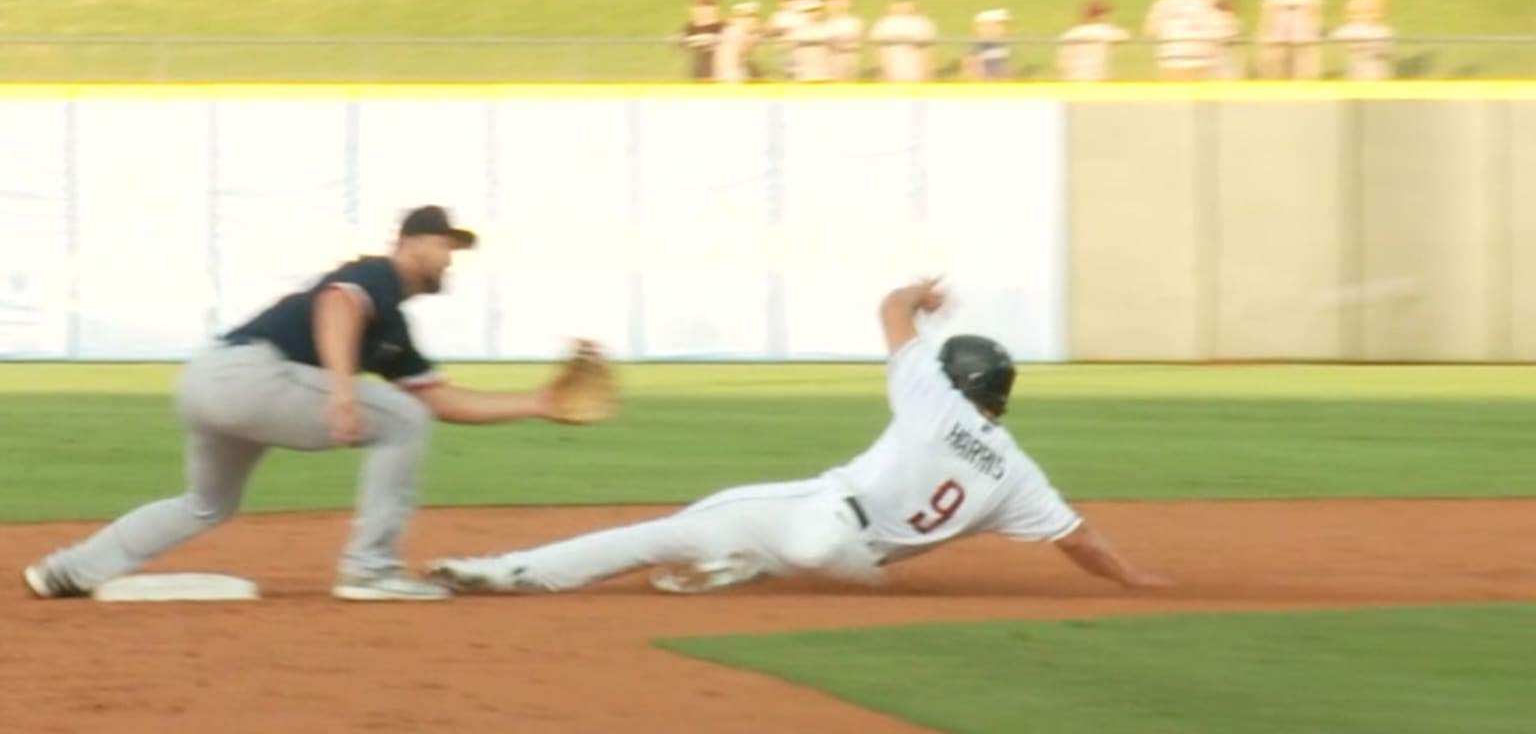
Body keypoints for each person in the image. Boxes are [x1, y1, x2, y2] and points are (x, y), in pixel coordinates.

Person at [424, 278, 1173, 596]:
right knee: (753, 547)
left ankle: (510, 571)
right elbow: (1078, 540)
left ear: (958, 379)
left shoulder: (933, 398)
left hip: (824, 518)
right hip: (862, 568)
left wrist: (921, 293)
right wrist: (1133, 580)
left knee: (661, 534)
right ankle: (737, 566)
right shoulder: (1017, 472)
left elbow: (892, 308)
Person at [22, 206, 616, 603]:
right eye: (444, 245)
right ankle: (370, 568)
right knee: (400, 419)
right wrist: (341, 391)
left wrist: (538, 402)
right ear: (409, 242)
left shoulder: (392, 330)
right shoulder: (376, 275)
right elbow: (338, 303)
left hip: (212, 380)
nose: (449, 259)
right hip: (246, 375)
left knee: (207, 504)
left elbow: (441, 400)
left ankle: (68, 570)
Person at [1143, 0, 1220, 80]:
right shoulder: (1207, 2)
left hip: (1171, 58)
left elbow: (1150, 31)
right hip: (1202, 57)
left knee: (1174, 90)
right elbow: (1217, 31)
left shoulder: (1161, 4)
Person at [1256, 0, 1325, 79]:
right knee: (1274, 77)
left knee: (1305, 77)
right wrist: (1265, 39)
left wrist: (1316, 34)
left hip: (1304, 43)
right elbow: (1267, 17)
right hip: (1276, 44)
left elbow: (1315, 17)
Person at [869, 0, 938, 82]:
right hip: (891, 73)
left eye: (906, 2)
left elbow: (928, 50)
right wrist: (881, 70)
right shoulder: (883, 23)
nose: (903, 6)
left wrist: (929, 71)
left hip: (917, 74)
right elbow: (878, 50)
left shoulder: (922, 23)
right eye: (899, 3)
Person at [1055, 0, 1130, 82]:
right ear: (1100, 16)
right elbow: (1125, 36)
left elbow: (1061, 61)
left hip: (1071, 79)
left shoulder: (1070, 33)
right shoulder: (1103, 30)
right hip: (1095, 78)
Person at [1330, 0, 1395, 81]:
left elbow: (1386, 49)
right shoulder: (1350, 29)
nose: (1356, 17)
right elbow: (1332, 36)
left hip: (1378, 76)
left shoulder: (1383, 31)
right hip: (1356, 76)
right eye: (1352, 13)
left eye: (1369, 11)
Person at [677, 0, 725, 81]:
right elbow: (678, 43)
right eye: (699, 7)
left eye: (708, 6)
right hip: (699, 74)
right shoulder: (690, 28)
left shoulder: (723, 27)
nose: (704, 11)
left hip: (721, 74)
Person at [964, 9, 1013, 80]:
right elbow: (970, 68)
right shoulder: (978, 47)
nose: (1003, 28)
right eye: (998, 24)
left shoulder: (1002, 44)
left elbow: (1005, 68)